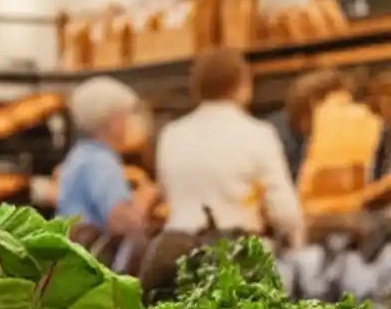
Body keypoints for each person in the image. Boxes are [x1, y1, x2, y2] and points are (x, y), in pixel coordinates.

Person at [157, 48, 306, 247]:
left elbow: (168, 193)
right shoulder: (257, 133)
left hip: (177, 249)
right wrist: (298, 244)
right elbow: (284, 210)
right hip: (234, 251)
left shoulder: (171, 134)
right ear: (243, 87)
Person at [57, 77, 159, 235]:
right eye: (126, 115)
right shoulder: (101, 162)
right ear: (112, 121)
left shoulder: (80, 155)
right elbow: (121, 222)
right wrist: (147, 197)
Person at [265, 69, 351, 179]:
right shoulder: (271, 139)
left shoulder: (326, 135)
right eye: (340, 107)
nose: (346, 115)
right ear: (314, 104)